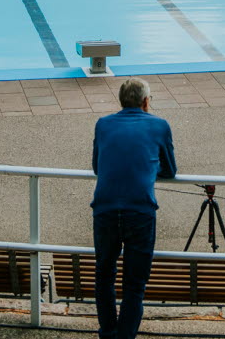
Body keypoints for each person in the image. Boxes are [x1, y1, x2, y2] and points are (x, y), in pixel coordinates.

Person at [92, 77, 177, 339]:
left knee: (104, 276)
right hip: (139, 210)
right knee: (135, 283)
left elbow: (97, 166)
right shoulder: (159, 125)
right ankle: (125, 336)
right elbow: (170, 170)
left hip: (105, 208)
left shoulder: (103, 124)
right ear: (146, 101)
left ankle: (107, 332)